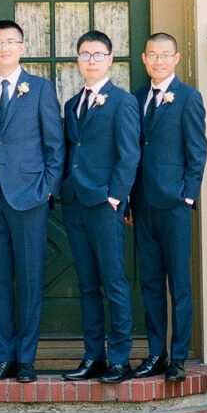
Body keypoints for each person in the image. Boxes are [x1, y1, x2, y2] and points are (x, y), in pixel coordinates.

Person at [0, 18, 64, 382]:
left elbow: (55, 144)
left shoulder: (39, 89)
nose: (4, 48)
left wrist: (46, 187)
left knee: (30, 279)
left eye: (11, 42)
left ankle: (26, 359)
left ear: (22, 48)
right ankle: (3, 356)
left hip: (30, 199)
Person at [59, 30, 141, 383]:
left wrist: (115, 197)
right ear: (77, 60)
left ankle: (120, 358)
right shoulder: (71, 104)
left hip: (104, 204)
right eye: (84, 54)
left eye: (97, 54)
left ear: (109, 60)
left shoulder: (122, 102)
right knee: (87, 283)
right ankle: (93, 356)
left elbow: (130, 153)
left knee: (114, 281)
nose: (90, 60)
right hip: (75, 202)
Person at [130, 32, 207, 383]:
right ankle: (156, 354)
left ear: (175, 59)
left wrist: (187, 196)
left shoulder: (189, 97)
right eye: (152, 55)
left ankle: (178, 356)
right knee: (150, 282)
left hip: (174, 204)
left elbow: (197, 151)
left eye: (165, 55)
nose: (158, 61)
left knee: (179, 283)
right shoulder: (136, 98)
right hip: (143, 204)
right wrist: (131, 199)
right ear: (144, 59)